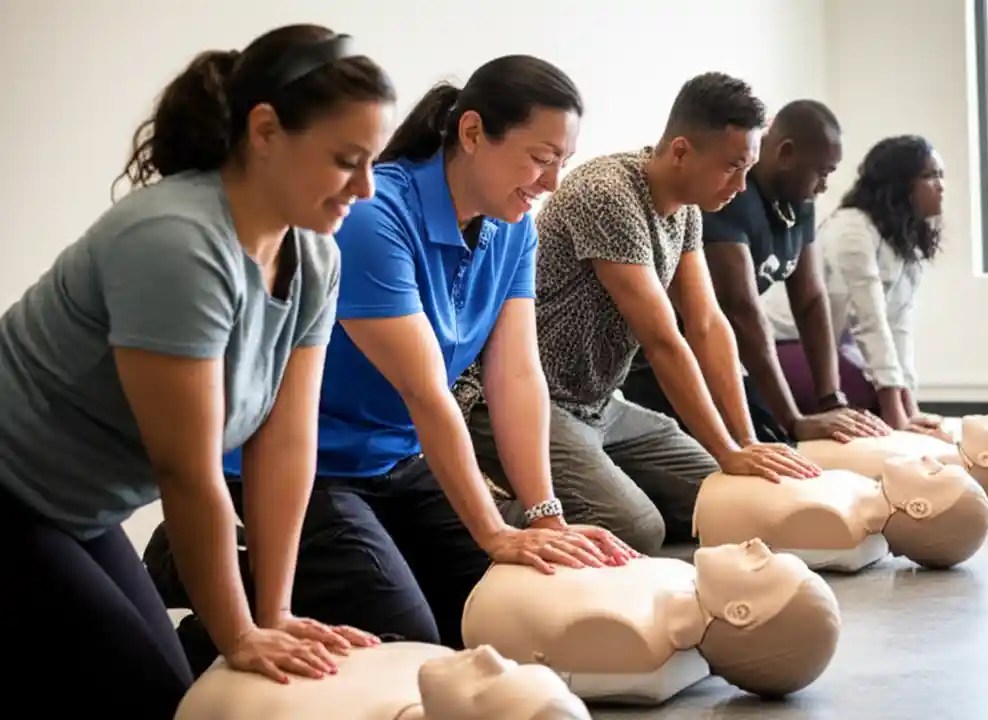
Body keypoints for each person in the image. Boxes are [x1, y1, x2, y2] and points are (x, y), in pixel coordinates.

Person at [145, 54, 639, 675]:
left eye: (562, 161)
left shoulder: (514, 228)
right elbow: (426, 391)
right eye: (542, 159)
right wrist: (492, 530)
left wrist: (543, 513)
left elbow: (515, 375)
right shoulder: (373, 219)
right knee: (408, 639)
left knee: (498, 608)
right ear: (472, 134)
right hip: (314, 470)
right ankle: (210, 579)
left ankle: (250, 572)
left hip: (400, 462)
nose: (553, 182)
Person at [0, 24, 396, 719]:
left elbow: (283, 446)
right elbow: (187, 471)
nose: (365, 189)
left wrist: (272, 611)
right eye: (346, 160)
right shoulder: (175, 244)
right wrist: (237, 632)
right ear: (266, 130)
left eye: (374, 163)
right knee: (148, 692)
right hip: (11, 489)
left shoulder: (314, 257)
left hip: (80, 506)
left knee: (172, 685)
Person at [464, 72, 821, 556]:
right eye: (732, 168)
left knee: (724, 498)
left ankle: (603, 483)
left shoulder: (688, 208)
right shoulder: (608, 194)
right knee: (637, 528)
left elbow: (708, 323)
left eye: (747, 170)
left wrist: (744, 443)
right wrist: (728, 451)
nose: (740, 186)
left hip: (601, 404)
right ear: (680, 151)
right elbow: (664, 339)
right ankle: (482, 507)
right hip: (532, 404)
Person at [621, 99, 890, 445]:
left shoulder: (799, 204)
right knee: (769, 446)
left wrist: (829, 399)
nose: (824, 185)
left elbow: (810, 299)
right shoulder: (727, 196)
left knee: (779, 442)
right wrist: (792, 420)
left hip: (714, 358)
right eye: (821, 172)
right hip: (659, 367)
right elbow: (741, 311)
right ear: (787, 153)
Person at [762, 134, 945, 429]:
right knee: (866, 396)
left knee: (882, 394)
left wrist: (909, 406)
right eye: (929, 175)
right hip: (785, 342)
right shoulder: (851, 229)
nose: (941, 185)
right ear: (899, 184)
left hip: (832, 343)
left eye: (941, 175)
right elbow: (868, 319)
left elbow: (899, 326)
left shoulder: (904, 240)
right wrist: (895, 415)